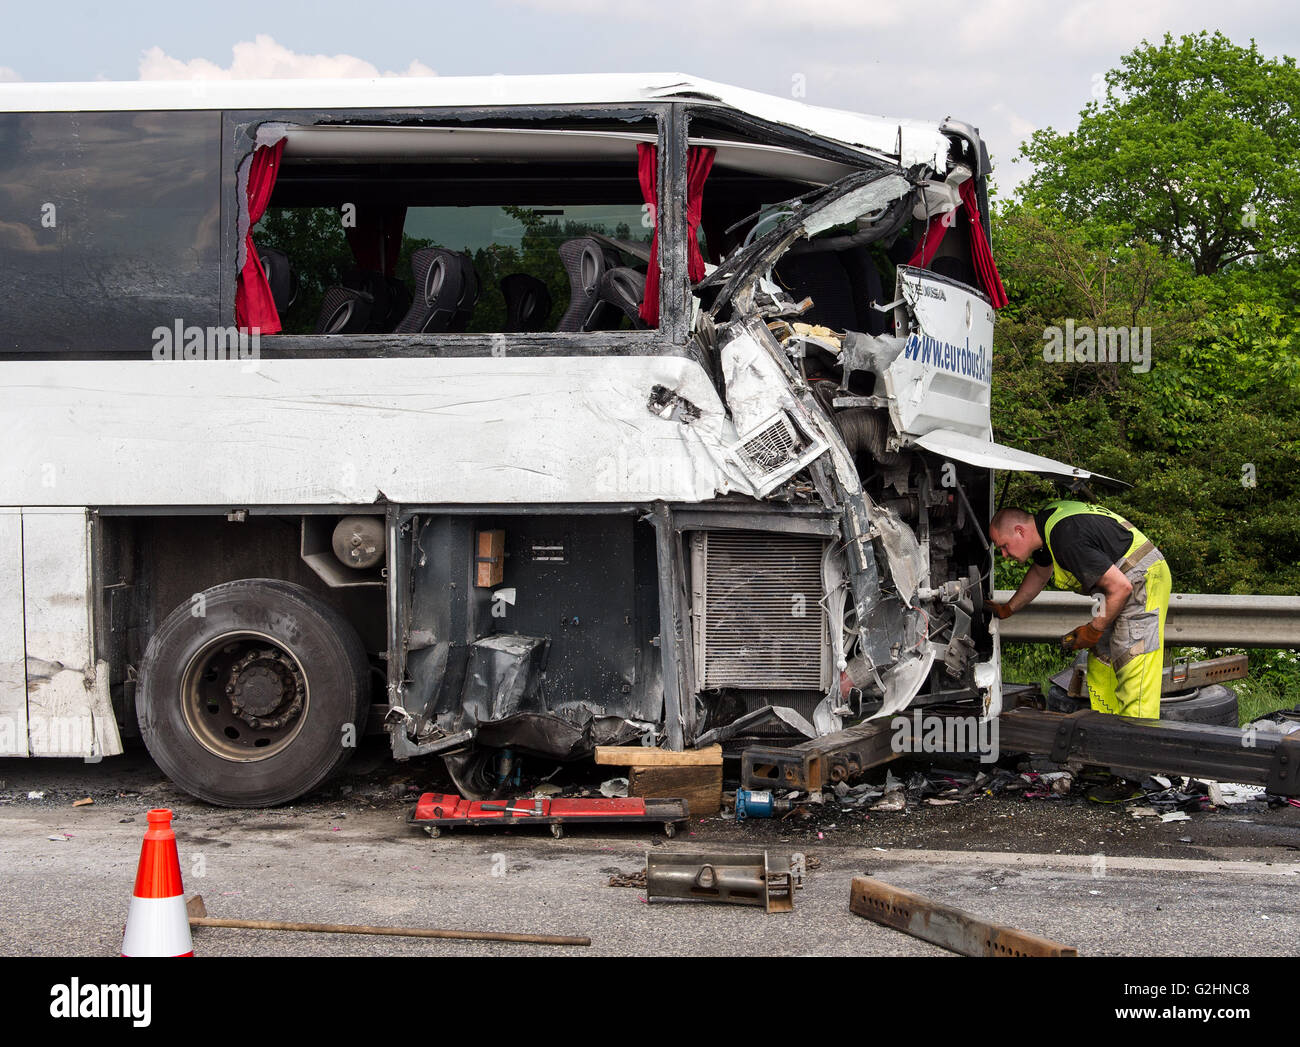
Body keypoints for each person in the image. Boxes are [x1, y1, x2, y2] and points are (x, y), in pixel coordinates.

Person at [987, 500, 1171, 719]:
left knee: (1133, 666)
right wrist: (1009, 608)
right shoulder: (1046, 526)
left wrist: (1093, 630)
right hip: (1115, 588)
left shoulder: (1065, 537)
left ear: (1019, 531)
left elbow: (1121, 587)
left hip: (1140, 580)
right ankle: (1107, 729)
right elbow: (1040, 572)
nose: (1005, 555)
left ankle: (1139, 739)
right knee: (1102, 660)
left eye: (1004, 546)